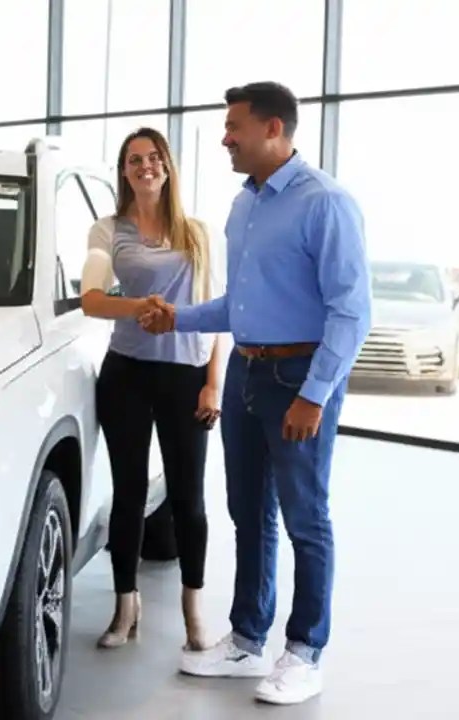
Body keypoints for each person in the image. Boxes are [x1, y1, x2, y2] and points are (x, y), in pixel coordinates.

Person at [138, 81, 371, 705]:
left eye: (234, 127)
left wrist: (314, 395)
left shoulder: (326, 203)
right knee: (249, 513)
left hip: (300, 378)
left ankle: (305, 652)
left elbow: (351, 313)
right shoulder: (245, 205)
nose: (225, 138)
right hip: (246, 371)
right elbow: (239, 305)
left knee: (305, 518)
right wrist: (178, 318)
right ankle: (247, 639)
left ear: (273, 128)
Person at [79, 127, 225, 654]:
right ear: (124, 170)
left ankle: (193, 611)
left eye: (154, 157)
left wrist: (213, 385)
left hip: (186, 376)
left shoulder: (198, 233)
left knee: (189, 498)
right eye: (135, 159)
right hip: (128, 376)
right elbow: (92, 299)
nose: (146, 166)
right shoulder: (107, 230)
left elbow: (215, 313)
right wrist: (138, 307)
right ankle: (125, 606)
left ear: (168, 166)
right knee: (129, 495)